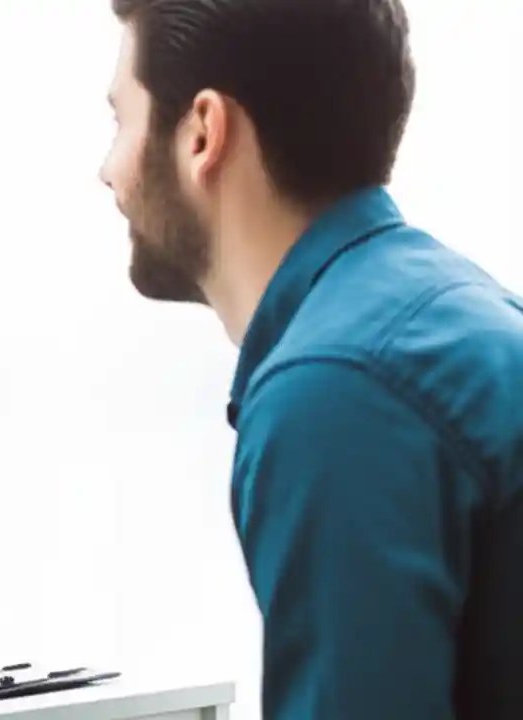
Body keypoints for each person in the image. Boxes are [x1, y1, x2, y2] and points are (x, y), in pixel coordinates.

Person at [100, 0, 523, 717]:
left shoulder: (337, 389)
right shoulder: (447, 316)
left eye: (121, 122)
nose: (107, 171)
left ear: (203, 131)